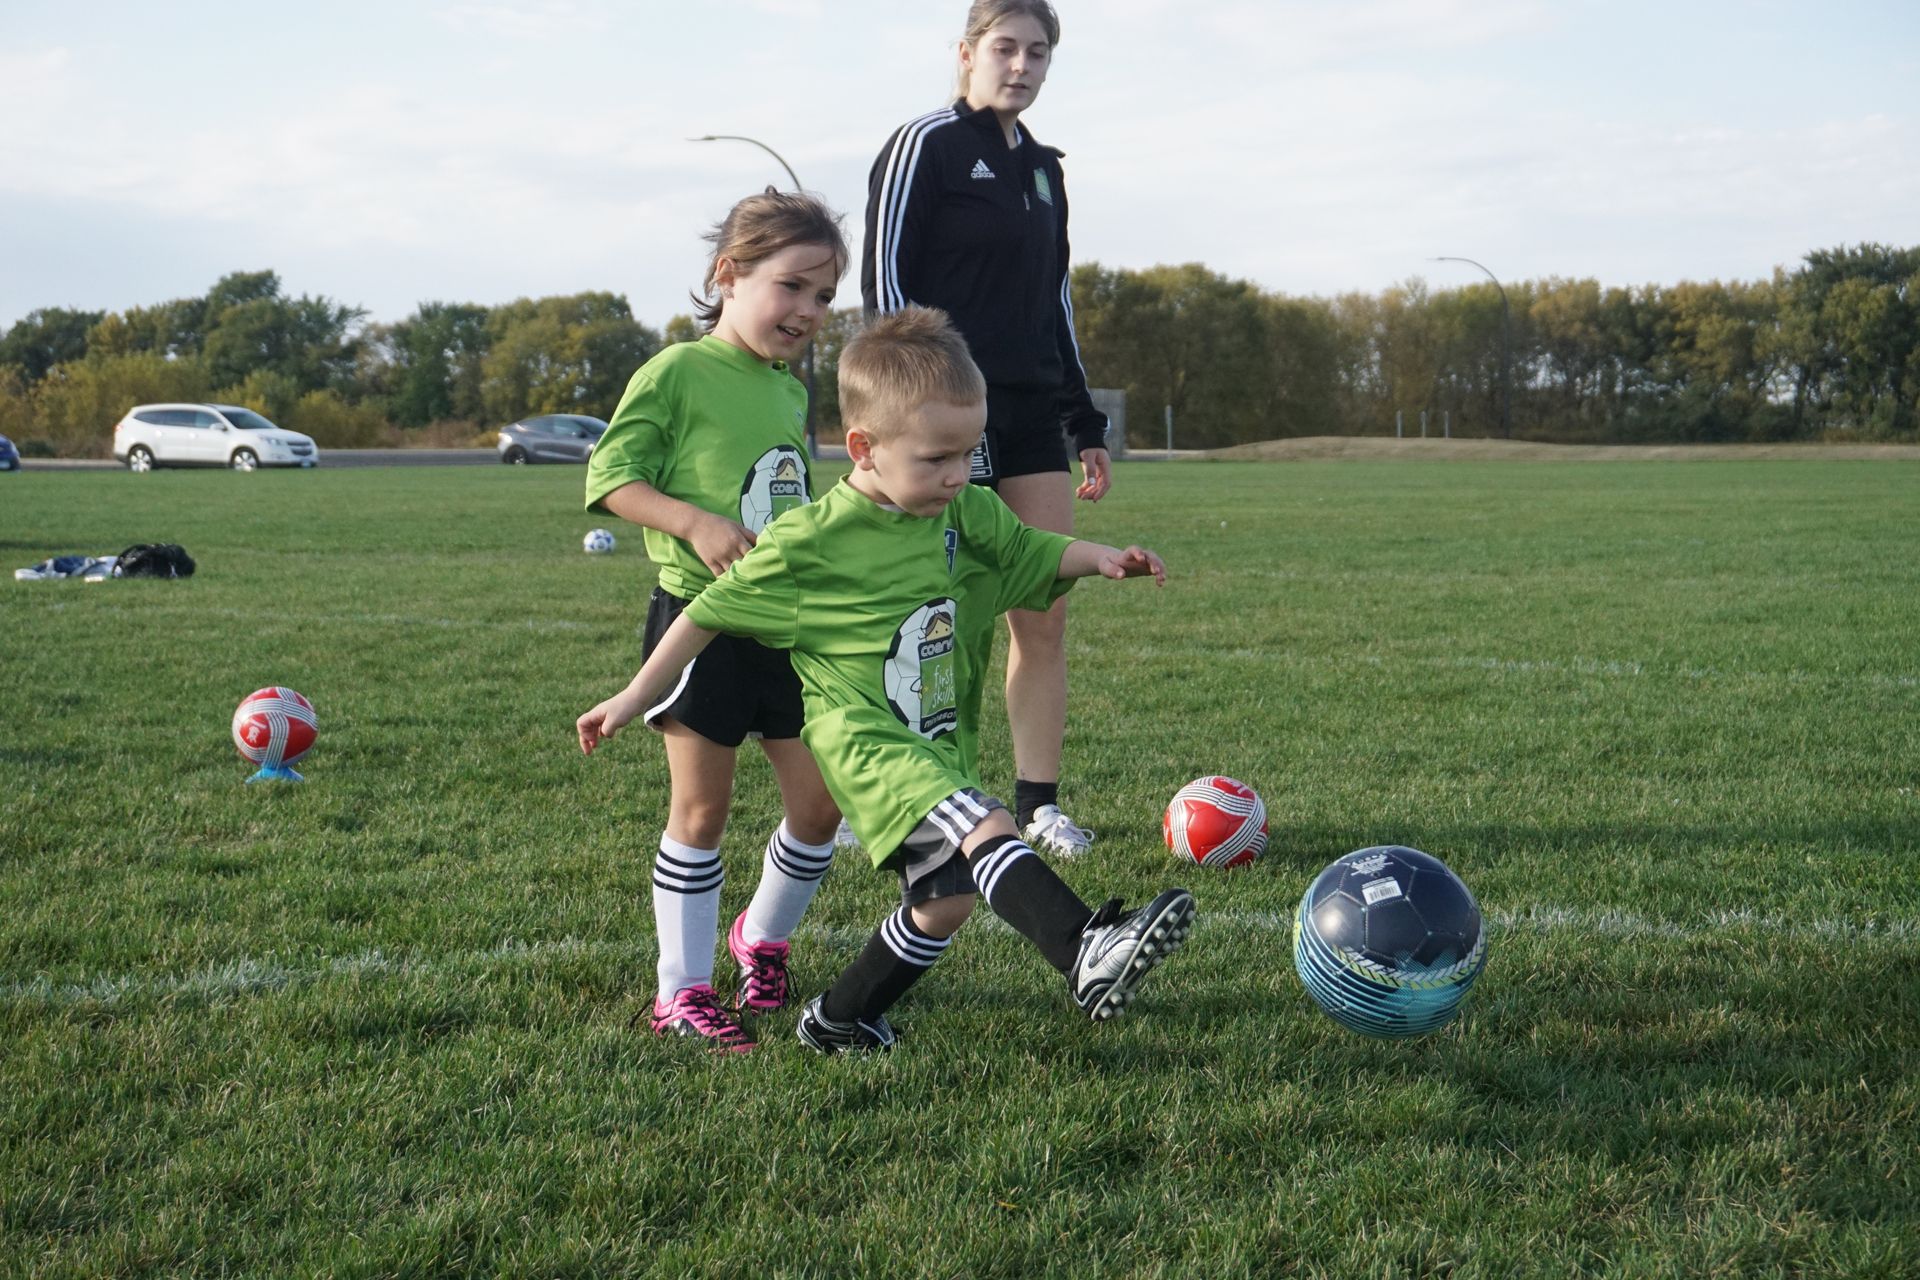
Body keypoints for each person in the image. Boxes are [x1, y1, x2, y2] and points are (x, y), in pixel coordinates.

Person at [577, 307, 1194, 1054]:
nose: (957, 475)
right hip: (863, 739)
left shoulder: (961, 511)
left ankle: (839, 1018)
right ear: (864, 448)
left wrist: (1097, 557)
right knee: (986, 823)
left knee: (945, 901)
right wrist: (633, 696)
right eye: (936, 458)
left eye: (968, 453)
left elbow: (1027, 547)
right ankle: (1083, 945)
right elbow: (707, 612)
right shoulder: (811, 540)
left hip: (933, 739)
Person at [582, 189, 848, 1053]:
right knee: (702, 808)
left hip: (791, 628)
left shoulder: (784, 391)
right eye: (793, 286)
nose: (808, 311)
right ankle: (681, 991)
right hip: (700, 623)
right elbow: (612, 477)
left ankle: (760, 939)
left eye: (823, 296)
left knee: (820, 806)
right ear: (728, 275)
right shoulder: (676, 372)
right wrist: (692, 522)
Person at [861, 0, 1107, 857]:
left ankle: (1037, 805)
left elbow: (1057, 304)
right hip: (941, 410)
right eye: (1005, 47)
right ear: (965, 53)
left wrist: (1085, 421)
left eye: (1038, 52)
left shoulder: (1045, 170)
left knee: (1043, 608)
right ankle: (900, 795)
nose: (1022, 64)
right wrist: (908, 410)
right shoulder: (924, 144)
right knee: (926, 613)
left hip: (1033, 407)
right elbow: (884, 279)